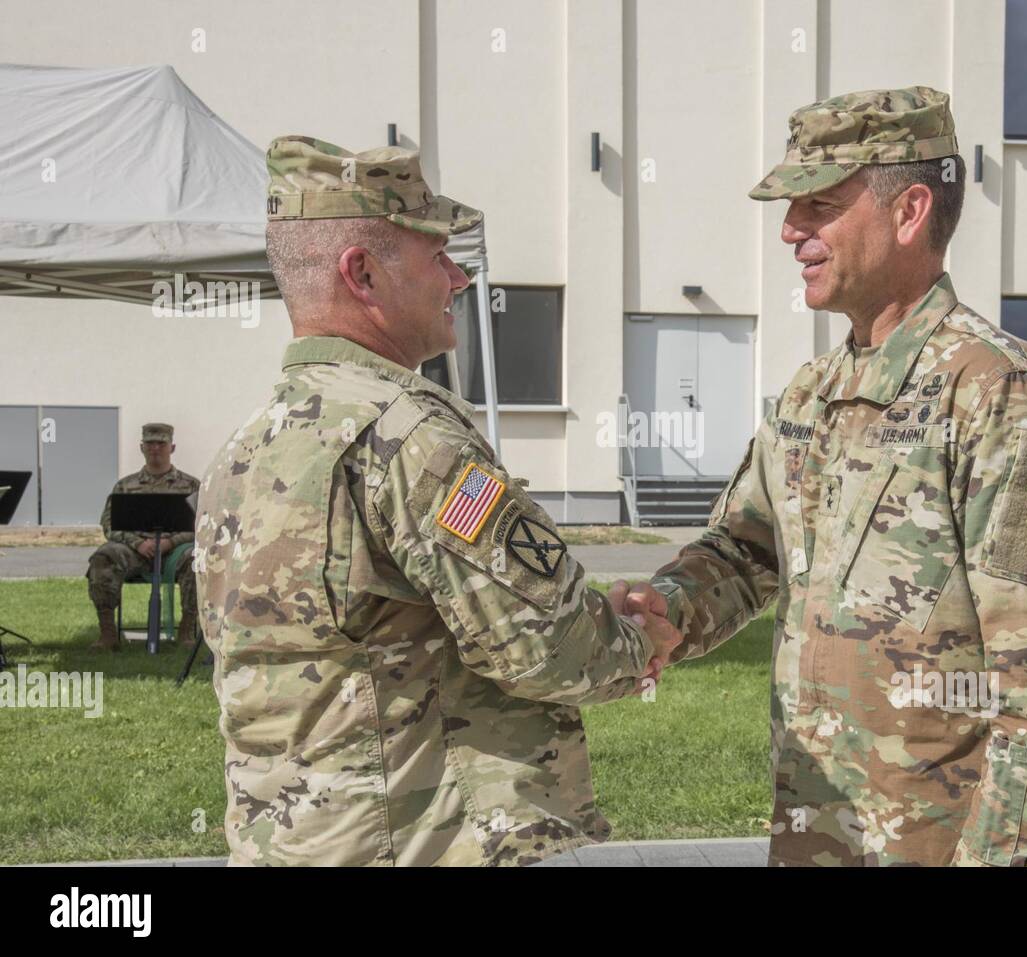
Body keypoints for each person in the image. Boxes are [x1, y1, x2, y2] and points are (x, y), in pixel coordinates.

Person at [616, 87, 1027, 866]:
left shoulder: (997, 394)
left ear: (909, 211)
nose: (791, 232)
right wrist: (670, 608)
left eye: (818, 206)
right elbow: (747, 550)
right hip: (818, 840)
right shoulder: (810, 394)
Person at [194, 136, 680, 867]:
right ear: (361, 274)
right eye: (435, 256)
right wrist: (639, 639)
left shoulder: (239, 450)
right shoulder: (410, 435)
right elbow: (543, 641)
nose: (457, 276)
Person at [87, 423, 199, 651]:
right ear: (142, 447)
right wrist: (137, 543)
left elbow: (203, 524)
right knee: (103, 556)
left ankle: (187, 630)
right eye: (150, 443)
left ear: (172, 447)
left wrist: (171, 542)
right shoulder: (125, 486)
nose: (155, 448)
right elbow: (109, 524)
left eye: (161, 443)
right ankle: (108, 634)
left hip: (175, 553)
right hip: (134, 552)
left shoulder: (191, 486)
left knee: (197, 559)